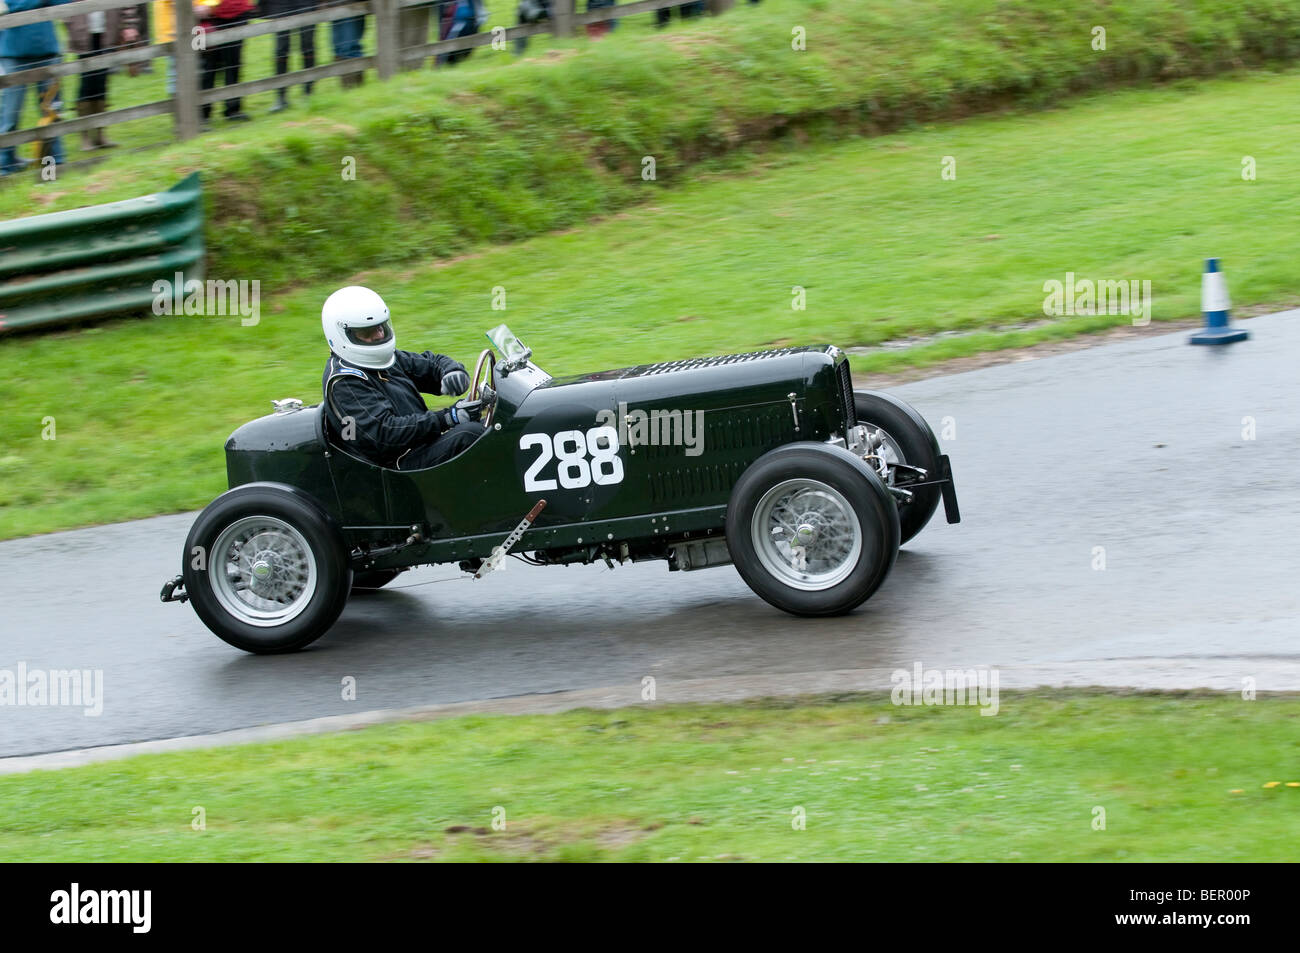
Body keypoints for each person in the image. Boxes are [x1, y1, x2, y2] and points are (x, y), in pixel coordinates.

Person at [320, 286, 484, 470]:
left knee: (494, 426)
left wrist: (452, 372)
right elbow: (384, 433)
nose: (379, 335)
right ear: (342, 335)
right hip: (397, 464)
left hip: (419, 445)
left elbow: (429, 364)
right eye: (367, 333)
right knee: (470, 434)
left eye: (380, 328)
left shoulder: (383, 360)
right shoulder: (345, 383)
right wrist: (447, 418)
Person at [0, 0, 74, 176]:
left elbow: (63, 3)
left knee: (51, 113)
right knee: (10, 115)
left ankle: (53, 164)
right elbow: (9, 5)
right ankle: (5, 166)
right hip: (14, 54)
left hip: (47, 49)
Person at [66, 5, 140, 149]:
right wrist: (71, 23)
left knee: (102, 83)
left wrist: (129, 24)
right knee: (87, 84)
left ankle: (100, 134)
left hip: (107, 32)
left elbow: (127, 4)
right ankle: (85, 136)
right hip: (83, 34)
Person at [195, 0, 254, 125]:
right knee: (209, 66)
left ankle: (233, 109)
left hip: (236, 12)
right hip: (209, 16)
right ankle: (203, 112)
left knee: (233, 63)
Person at [264, 0, 317, 112]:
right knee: (281, 48)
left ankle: (308, 94)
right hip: (281, 4)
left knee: (307, 44)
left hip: (306, 3)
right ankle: (281, 98)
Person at [328, 0, 365, 88]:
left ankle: (354, 88)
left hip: (354, 5)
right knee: (339, 49)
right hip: (335, 5)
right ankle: (349, 89)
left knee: (350, 48)